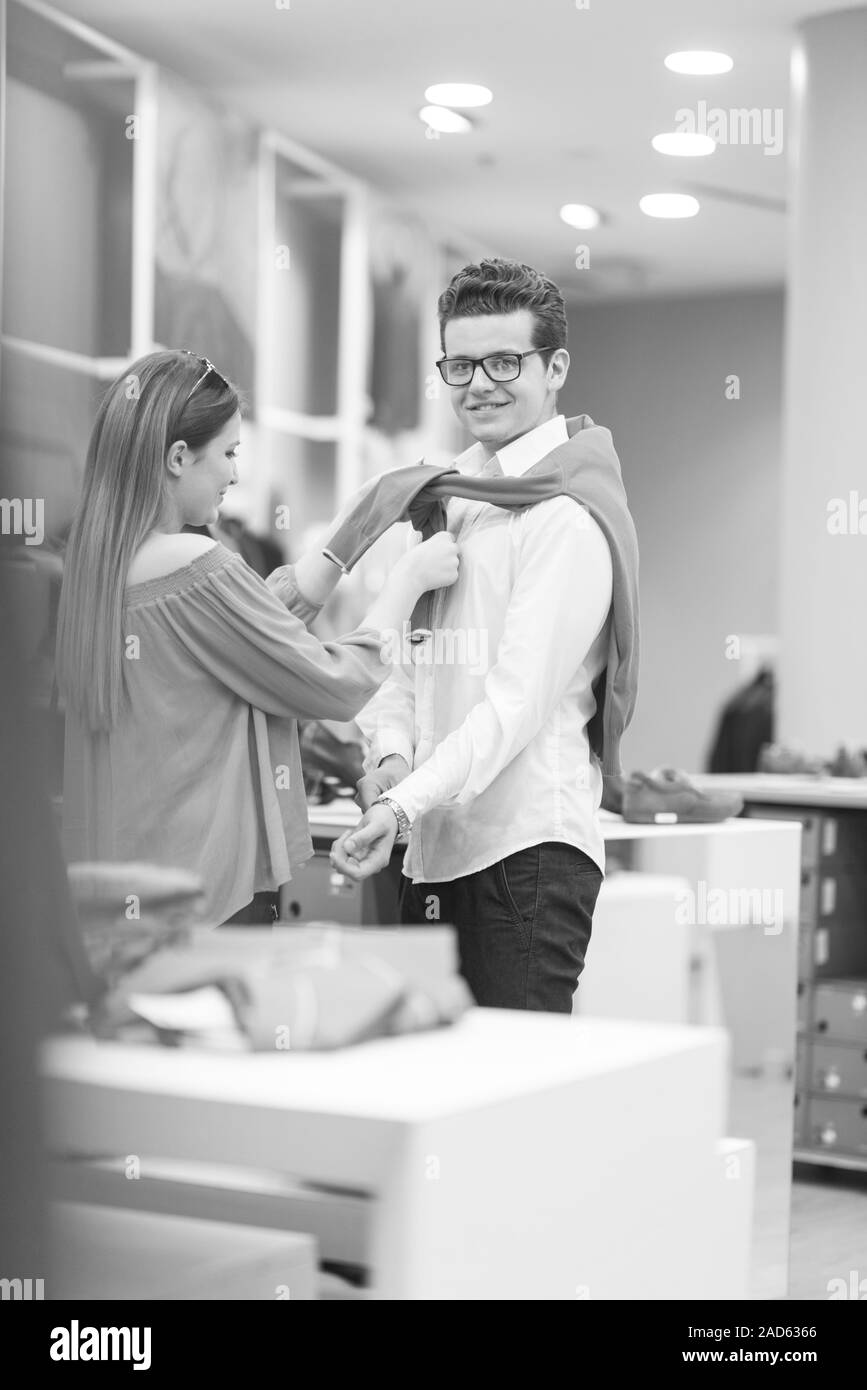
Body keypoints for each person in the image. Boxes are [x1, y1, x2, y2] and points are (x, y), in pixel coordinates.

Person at [55, 349, 458, 925]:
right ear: (177, 457)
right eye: (229, 452)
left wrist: (358, 524)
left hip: (130, 898)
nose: (236, 474)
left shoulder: (101, 570)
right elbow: (330, 684)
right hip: (211, 890)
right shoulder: (196, 564)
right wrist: (407, 582)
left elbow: (252, 635)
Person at [331, 259, 637, 1013]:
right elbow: (407, 665)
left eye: (504, 361)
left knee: (518, 1107)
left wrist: (401, 803)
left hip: (526, 851)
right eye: (460, 363)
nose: (479, 383)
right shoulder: (448, 496)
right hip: (435, 848)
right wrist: (392, 759)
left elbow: (513, 705)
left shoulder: (563, 512)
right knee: (442, 1092)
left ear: (554, 366)